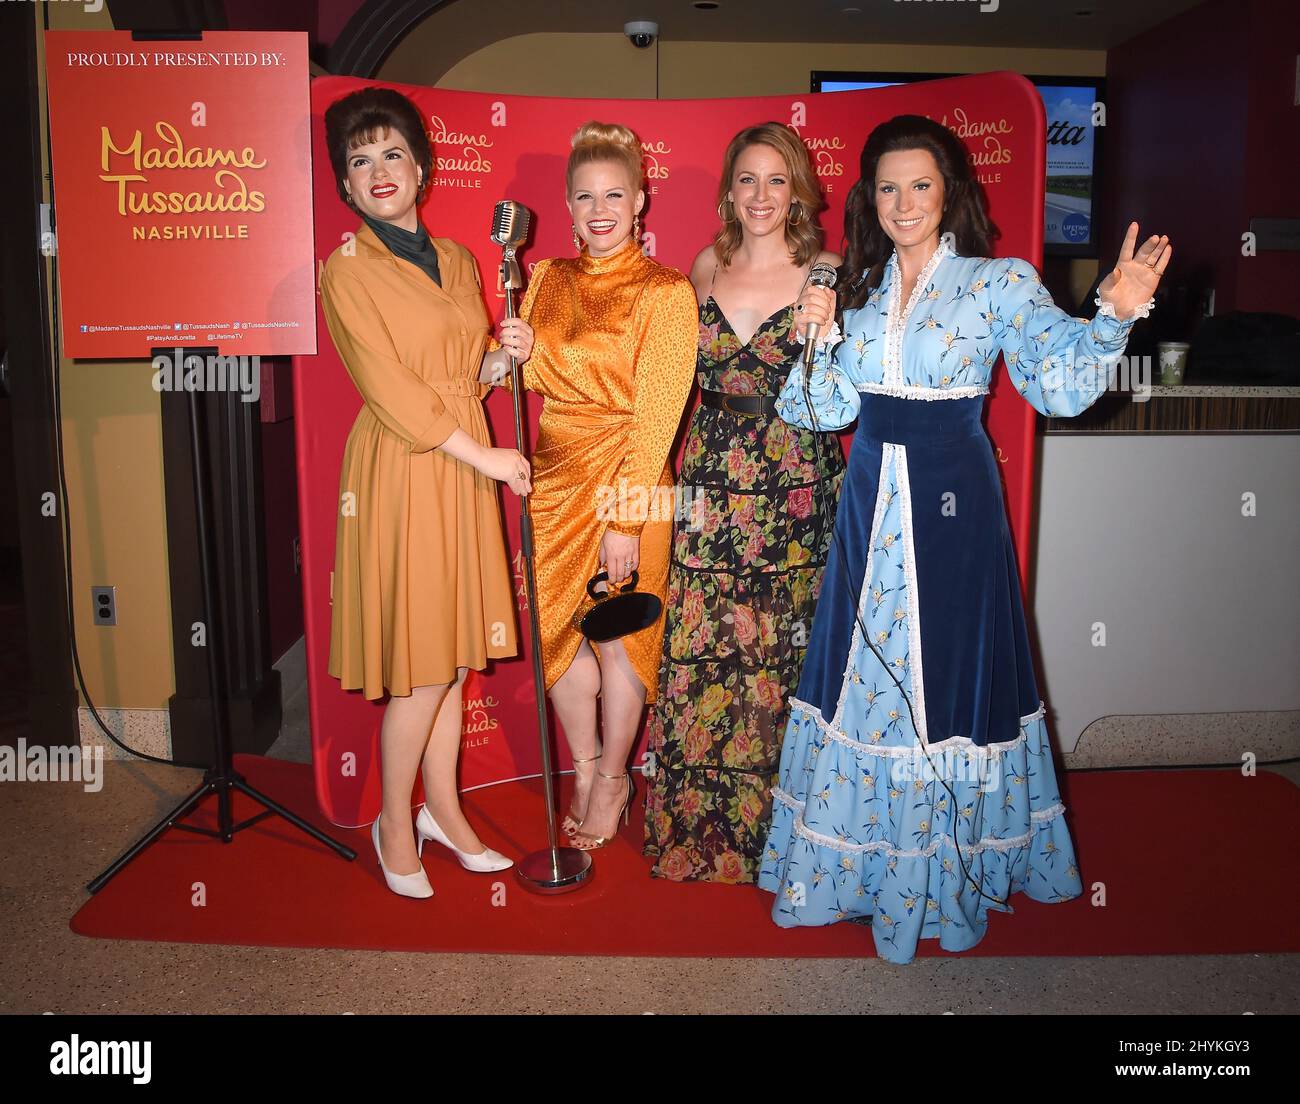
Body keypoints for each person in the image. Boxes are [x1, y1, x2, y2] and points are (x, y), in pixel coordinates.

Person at [759, 114, 1170, 962]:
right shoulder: (858, 293)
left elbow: (1059, 386)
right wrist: (812, 336)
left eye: (920, 184)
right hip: (869, 517)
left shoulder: (998, 283)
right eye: (887, 187)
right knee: (859, 684)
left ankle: (939, 874)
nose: (903, 202)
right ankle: (860, 873)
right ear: (868, 201)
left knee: (945, 683)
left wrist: (1114, 316)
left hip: (953, 514)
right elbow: (820, 410)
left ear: (950, 194)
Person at [320, 87, 535, 897]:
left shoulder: (458, 258)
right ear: (346, 185)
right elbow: (392, 391)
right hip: (406, 467)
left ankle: (441, 810)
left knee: (447, 656)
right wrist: (488, 461)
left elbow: (461, 373)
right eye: (359, 159)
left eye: (392, 154)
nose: (378, 171)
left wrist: (502, 359)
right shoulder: (344, 270)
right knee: (419, 664)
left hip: (462, 456)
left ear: (422, 167)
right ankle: (389, 820)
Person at [642, 123, 846, 884]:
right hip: (711, 479)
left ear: (796, 190)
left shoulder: (827, 269)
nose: (760, 196)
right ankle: (698, 831)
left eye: (776, 180)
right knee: (705, 647)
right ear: (728, 191)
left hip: (795, 483)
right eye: (747, 180)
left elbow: (845, 384)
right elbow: (667, 378)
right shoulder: (705, 263)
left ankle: (780, 840)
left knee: (778, 655)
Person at [506, 122, 698, 851]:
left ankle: (615, 779)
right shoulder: (547, 278)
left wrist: (624, 518)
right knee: (557, 639)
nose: (599, 209)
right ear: (565, 203)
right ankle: (584, 768)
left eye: (615, 194)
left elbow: (658, 418)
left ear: (642, 200)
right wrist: (510, 352)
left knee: (621, 643)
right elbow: (519, 376)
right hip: (555, 480)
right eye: (584, 196)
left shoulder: (667, 291)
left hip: (636, 482)